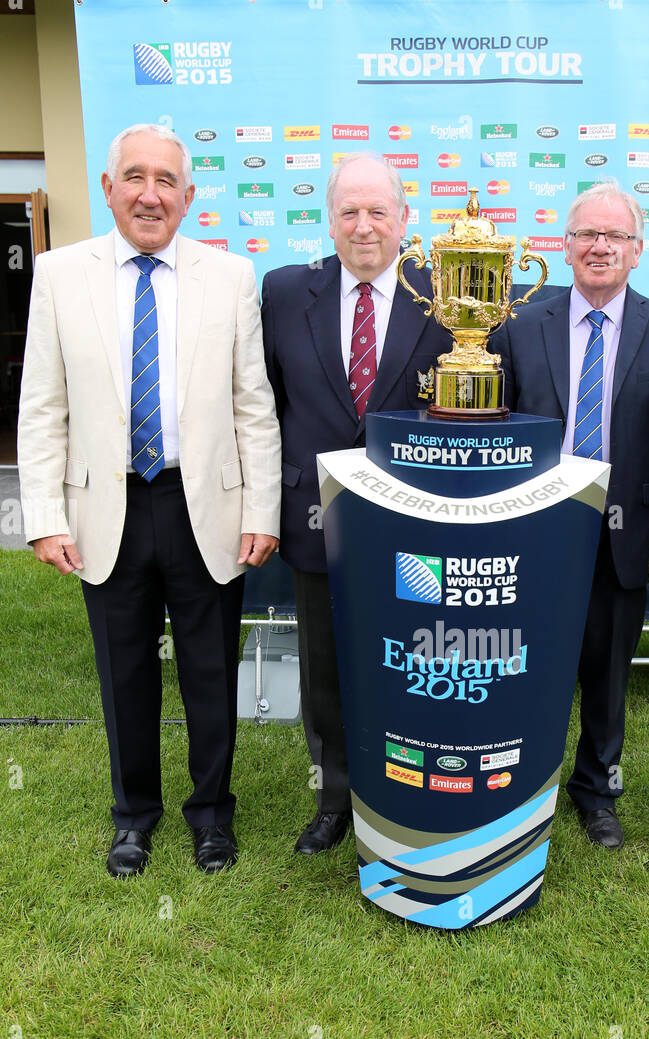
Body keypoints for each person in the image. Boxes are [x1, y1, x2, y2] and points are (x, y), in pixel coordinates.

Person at [17, 124, 281, 878]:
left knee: (209, 670)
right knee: (122, 669)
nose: (150, 194)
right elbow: (42, 408)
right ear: (108, 189)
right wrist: (44, 515)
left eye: (166, 181)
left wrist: (262, 509)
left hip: (203, 505)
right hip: (108, 506)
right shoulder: (59, 275)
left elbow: (251, 405)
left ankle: (211, 817)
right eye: (134, 177)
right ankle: (133, 816)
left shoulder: (230, 278)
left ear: (188, 197)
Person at [497, 179, 649, 849]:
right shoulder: (521, 324)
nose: (600, 246)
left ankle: (596, 790)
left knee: (609, 674)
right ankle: (523, 783)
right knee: (527, 664)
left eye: (615, 236)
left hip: (624, 535)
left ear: (638, 251)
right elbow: (500, 434)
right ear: (565, 246)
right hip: (534, 534)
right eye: (587, 234)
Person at [262, 153, 450, 858]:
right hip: (317, 521)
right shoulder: (285, 293)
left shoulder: (447, 294)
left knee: (414, 664)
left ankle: (410, 790)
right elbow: (269, 404)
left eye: (379, 211)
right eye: (350, 212)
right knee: (325, 665)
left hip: (421, 533)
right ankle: (334, 796)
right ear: (330, 219)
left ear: (405, 218)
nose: (364, 226)